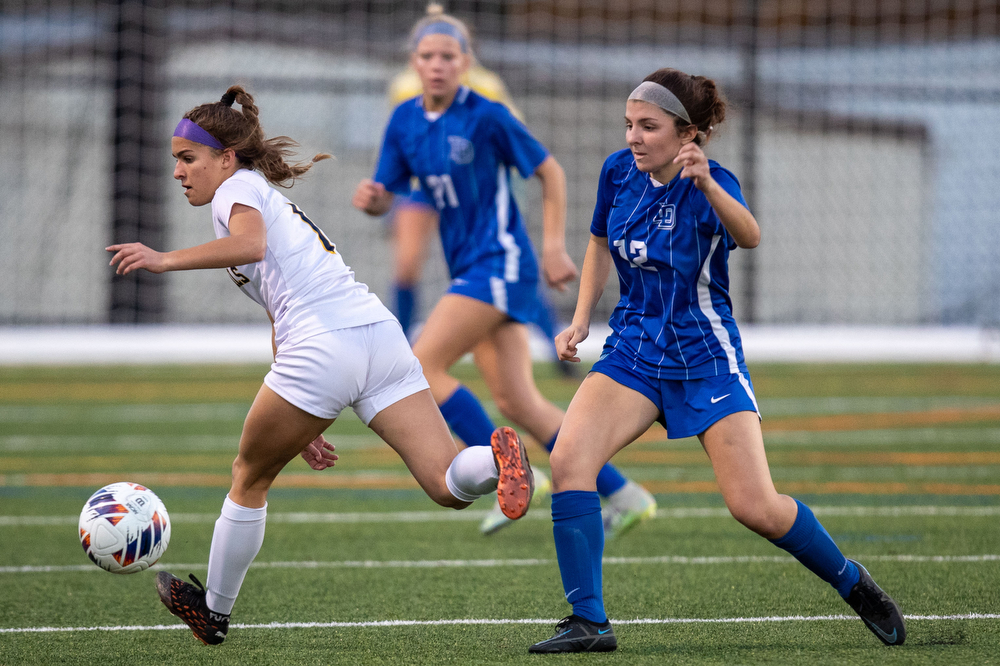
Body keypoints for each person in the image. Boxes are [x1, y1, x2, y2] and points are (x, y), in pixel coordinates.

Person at [106, 85, 534, 646]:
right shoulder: (256, 192)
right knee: (446, 482)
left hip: (323, 344)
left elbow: (250, 247)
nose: (178, 172)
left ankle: (214, 613)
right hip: (377, 334)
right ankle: (498, 460)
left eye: (188, 158)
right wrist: (304, 419)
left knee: (249, 477)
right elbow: (277, 309)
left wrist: (164, 260)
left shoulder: (235, 189)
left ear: (226, 158)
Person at [528, 69, 907, 653]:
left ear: (689, 135)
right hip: (634, 350)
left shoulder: (711, 181)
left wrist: (708, 186)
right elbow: (600, 241)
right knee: (570, 461)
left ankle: (850, 581)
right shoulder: (617, 172)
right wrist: (581, 319)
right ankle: (589, 621)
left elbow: (750, 236)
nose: (633, 137)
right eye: (629, 124)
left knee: (755, 508)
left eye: (648, 126)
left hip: (705, 358)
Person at [353, 3, 657, 538]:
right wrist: (375, 200)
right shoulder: (404, 121)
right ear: (414, 62)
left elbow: (551, 172)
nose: (438, 65)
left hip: (500, 263)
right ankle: (626, 495)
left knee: (420, 366)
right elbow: (388, 197)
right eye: (428, 56)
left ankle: (511, 471)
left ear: (466, 61)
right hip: (471, 269)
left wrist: (553, 247)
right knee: (519, 401)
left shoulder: (487, 115)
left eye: (449, 56)